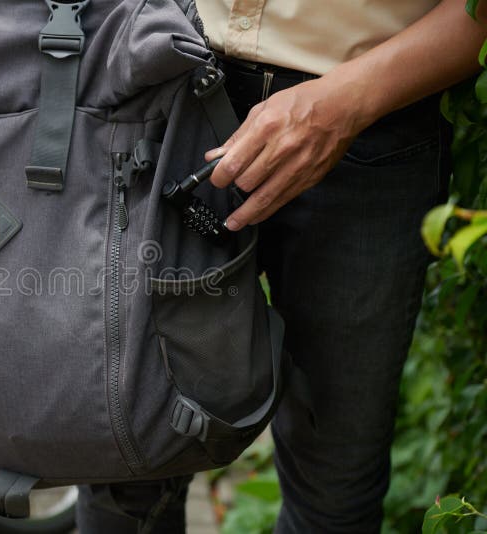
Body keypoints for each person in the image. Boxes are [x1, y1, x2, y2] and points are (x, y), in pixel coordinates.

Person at [76, 0, 487, 532]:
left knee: (333, 486)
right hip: (170, 89)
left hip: (370, 126)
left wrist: (350, 102)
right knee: (122, 461)